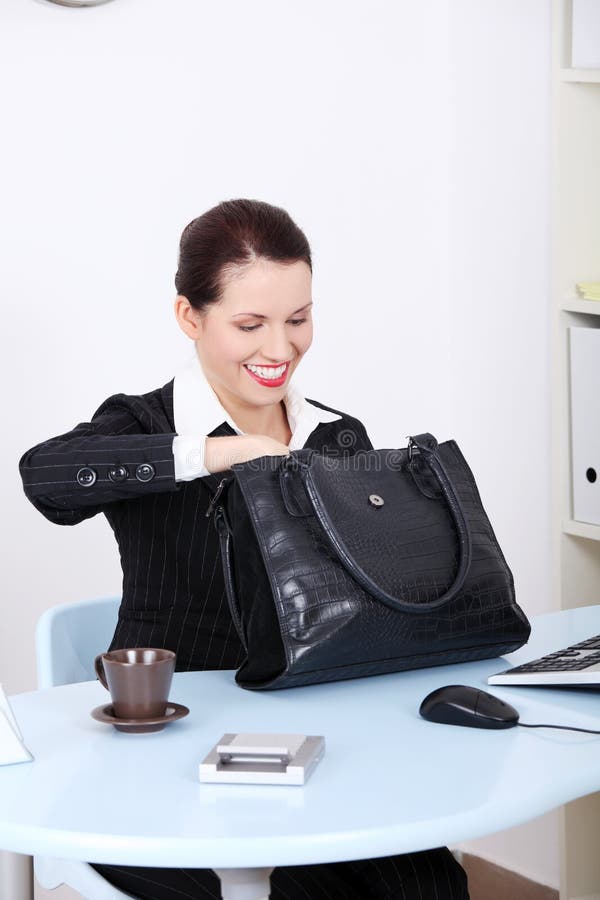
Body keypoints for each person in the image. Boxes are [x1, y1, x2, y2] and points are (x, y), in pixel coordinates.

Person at [19, 198, 469, 900]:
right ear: (190, 318)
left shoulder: (337, 435)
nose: (280, 350)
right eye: (250, 325)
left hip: (315, 739)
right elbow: (43, 476)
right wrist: (216, 453)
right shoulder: (144, 425)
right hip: (169, 751)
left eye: (298, 320)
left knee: (427, 884)